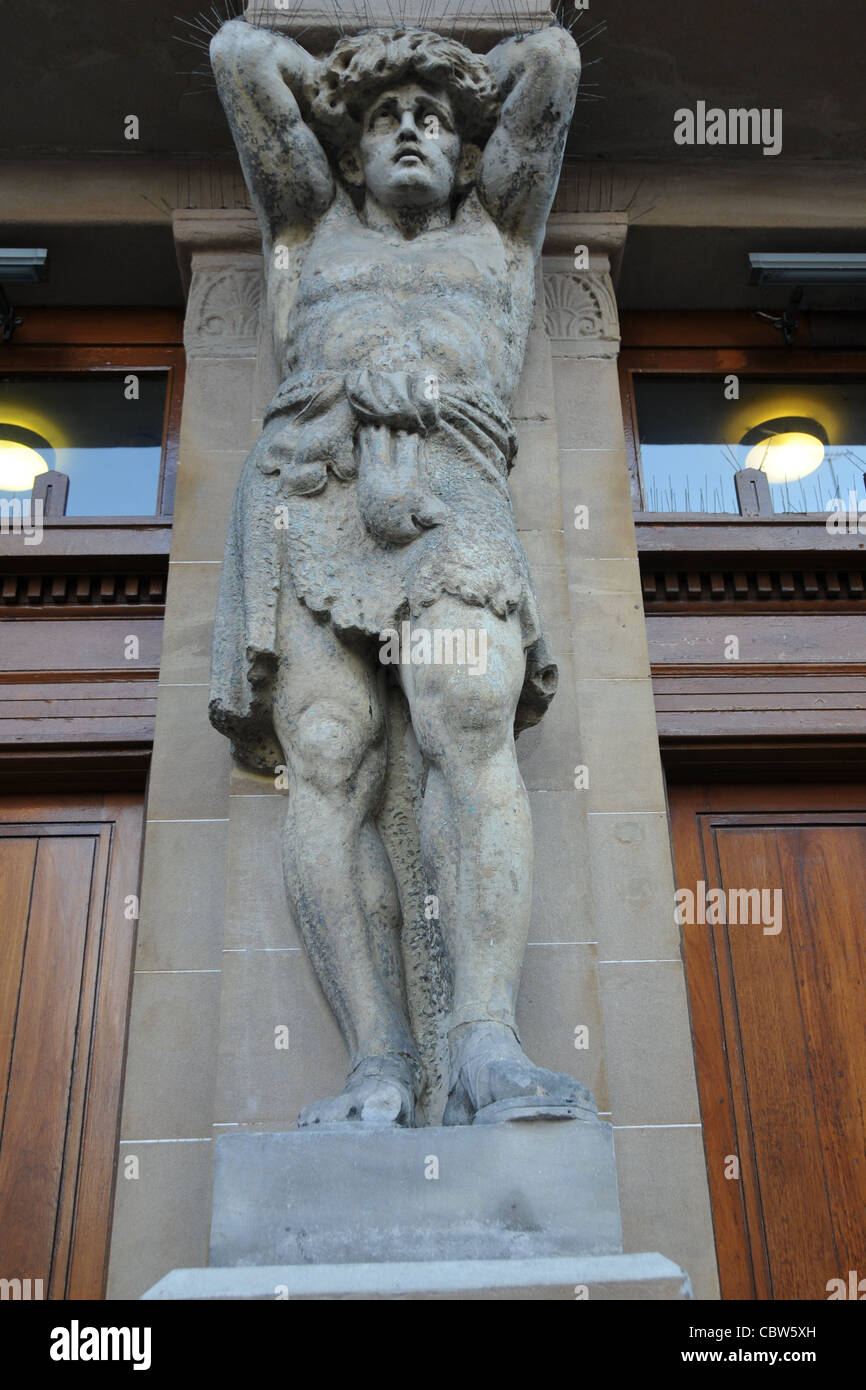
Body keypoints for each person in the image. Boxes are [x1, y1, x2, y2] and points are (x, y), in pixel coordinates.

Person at [209, 16, 595, 1128]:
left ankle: (483, 1041)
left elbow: (550, 64)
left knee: (468, 719)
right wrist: (354, 80)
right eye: (388, 122)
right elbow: (242, 53)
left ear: (469, 148)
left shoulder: (500, 232)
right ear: (346, 151)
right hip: (310, 484)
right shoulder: (305, 226)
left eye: (433, 120)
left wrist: (435, 70)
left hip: (453, 483)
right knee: (327, 754)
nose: (413, 130)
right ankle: (376, 1059)